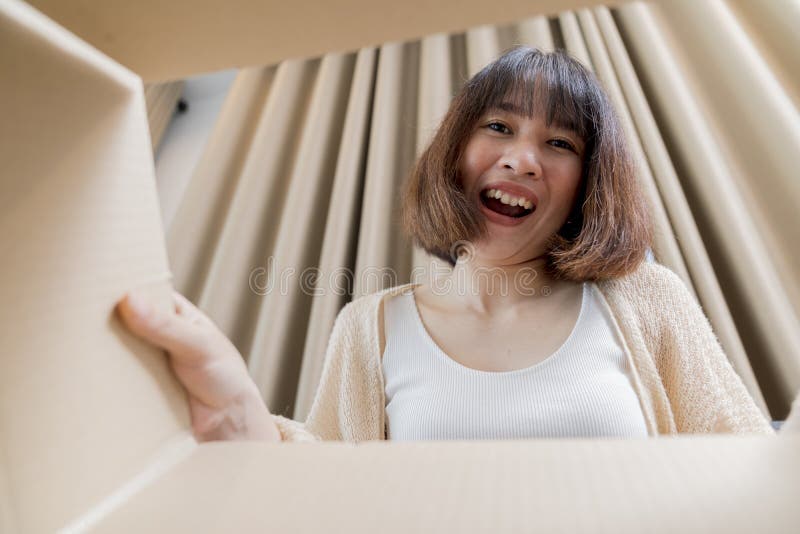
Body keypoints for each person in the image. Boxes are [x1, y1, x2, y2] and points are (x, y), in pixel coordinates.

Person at [116, 46, 774, 443]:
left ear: (586, 185)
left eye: (560, 142)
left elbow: (746, 462)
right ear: (454, 152)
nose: (522, 159)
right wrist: (236, 409)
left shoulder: (648, 301)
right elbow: (325, 489)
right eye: (498, 126)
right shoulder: (369, 327)